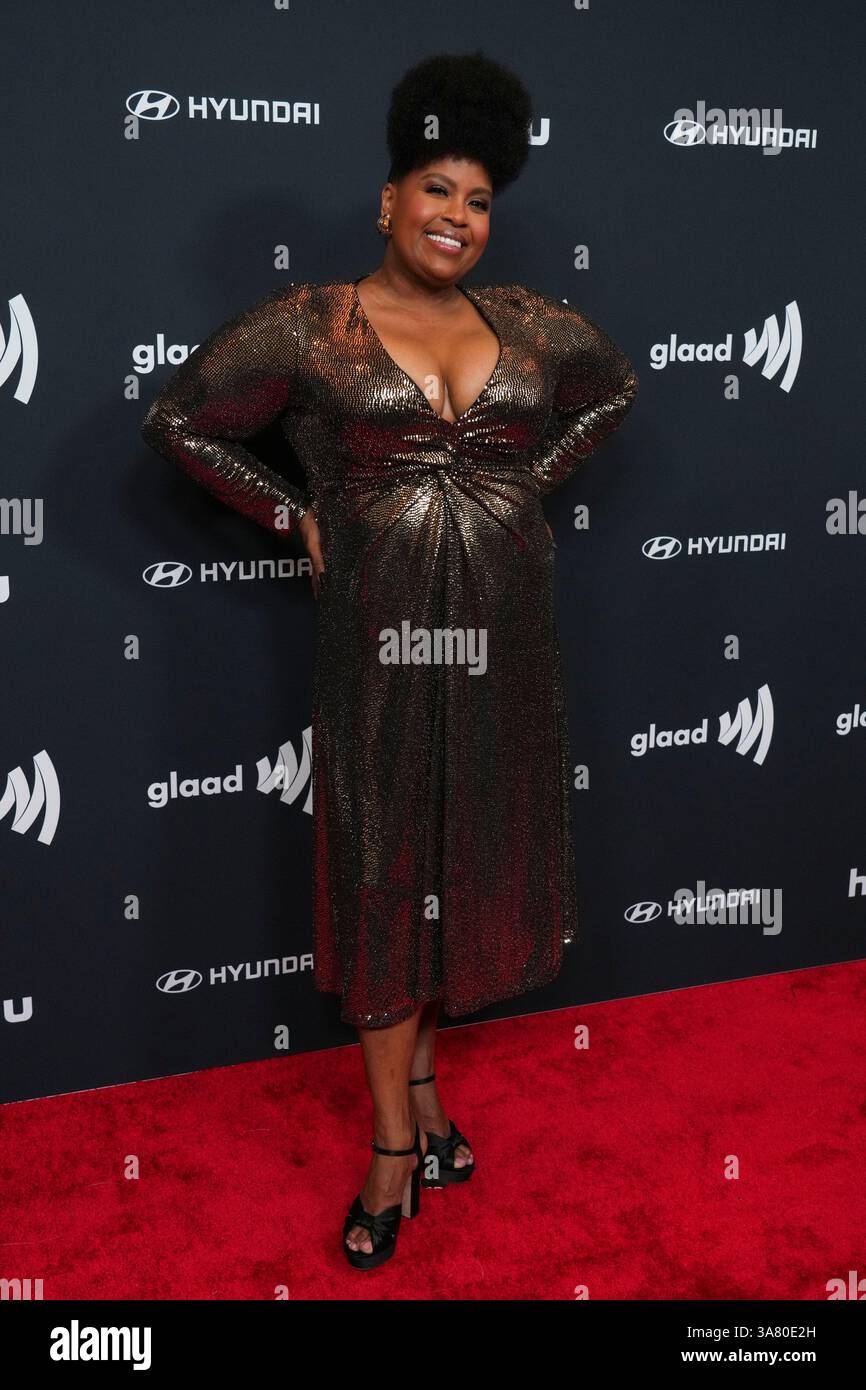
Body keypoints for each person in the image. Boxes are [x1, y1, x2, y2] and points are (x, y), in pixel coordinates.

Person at [140, 49, 639, 1271]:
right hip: (379, 643)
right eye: (435, 189)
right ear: (385, 199)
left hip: (503, 640)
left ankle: (422, 1095)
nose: (457, 218)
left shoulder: (523, 324)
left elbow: (610, 389)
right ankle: (388, 1147)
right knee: (382, 870)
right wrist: (293, 513)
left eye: (477, 200)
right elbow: (180, 417)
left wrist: (518, 484)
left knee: (462, 858)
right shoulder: (312, 325)